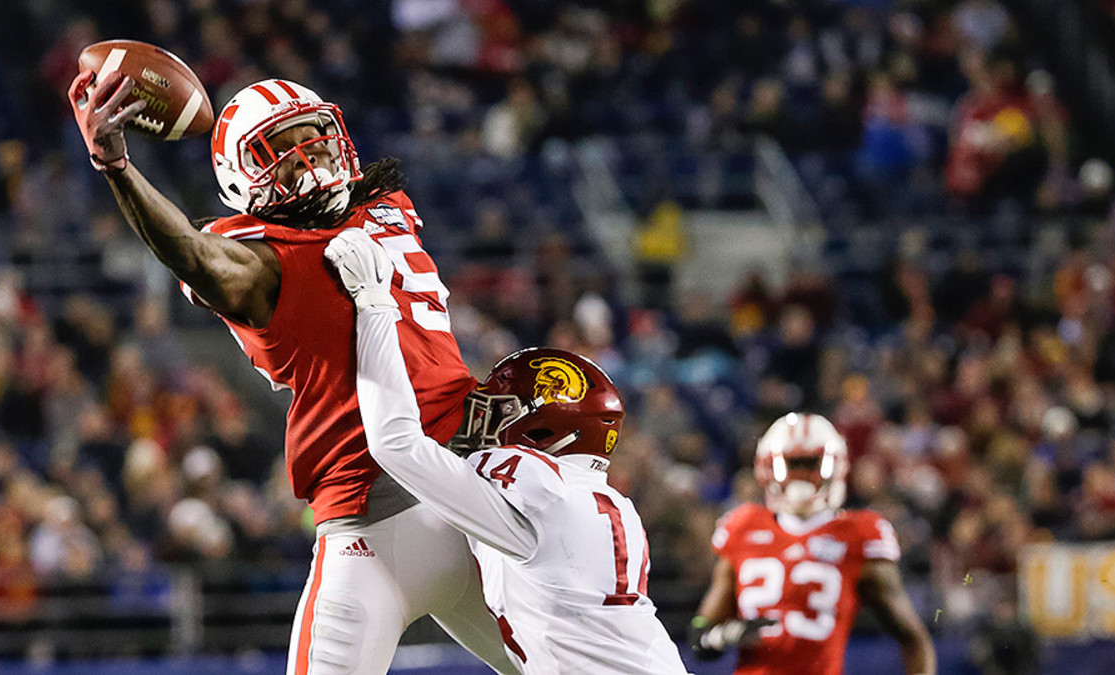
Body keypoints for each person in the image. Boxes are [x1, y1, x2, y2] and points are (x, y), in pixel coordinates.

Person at [68, 71, 516, 674]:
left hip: (465, 496)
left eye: (315, 136)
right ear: (241, 180)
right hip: (381, 518)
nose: (310, 155)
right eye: (282, 149)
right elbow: (199, 258)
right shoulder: (267, 256)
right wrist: (118, 167)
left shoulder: (385, 209)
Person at [324, 228, 691, 674]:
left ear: (543, 429)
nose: (480, 424)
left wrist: (375, 305)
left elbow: (396, 444)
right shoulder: (608, 503)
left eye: (498, 412)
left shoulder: (543, 493)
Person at [690, 413, 936, 675]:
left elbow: (913, 638)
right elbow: (699, 635)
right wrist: (723, 635)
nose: (801, 476)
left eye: (810, 463)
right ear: (767, 466)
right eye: (792, 464)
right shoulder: (743, 527)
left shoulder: (858, 534)